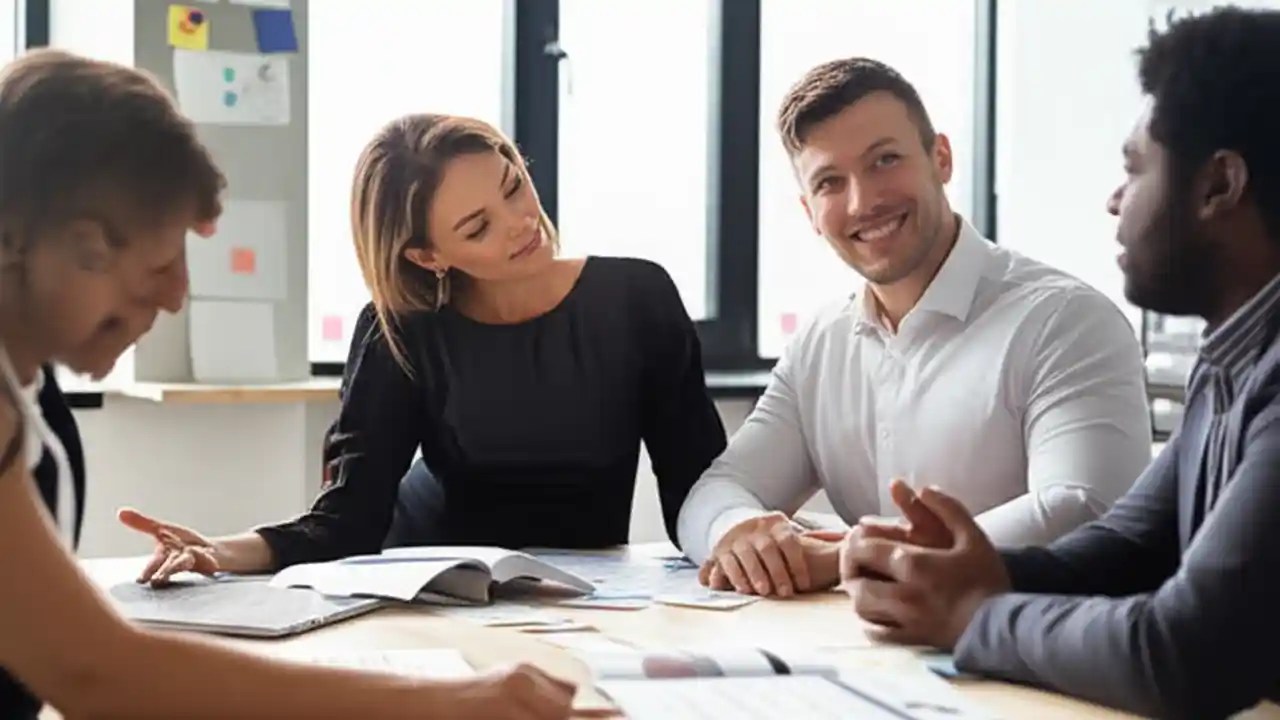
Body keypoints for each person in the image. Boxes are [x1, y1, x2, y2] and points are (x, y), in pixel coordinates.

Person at [0, 48, 574, 719]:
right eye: (161, 262)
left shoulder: (28, 395)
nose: (178, 295)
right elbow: (93, 671)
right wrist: (448, 702)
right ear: (81, 245)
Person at [838, 7, 1280, 719]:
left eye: (1135, 168)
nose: (1114, 200)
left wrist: (973, 616)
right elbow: (1133, 546)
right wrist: (959, 573)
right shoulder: (1234, 353)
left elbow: (1187, 653)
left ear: (1218, 186)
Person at [124, 112, 726, 582]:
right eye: (478, 226)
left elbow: (697, 489)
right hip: (428, 589)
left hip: (585, 595)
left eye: (515, 187)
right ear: (428, 256)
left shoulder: (636, 297)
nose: (521, 221)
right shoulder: (401, 328)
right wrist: (218, 551)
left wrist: (744, 530)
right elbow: (348, 522)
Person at [677, 57, 1153, 599]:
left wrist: (854, 555)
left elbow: (1085, 508)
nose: (863, 201)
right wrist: (740, 533)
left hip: (1030, 660)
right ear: (810, 211)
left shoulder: (1066, 321)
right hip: (871, 654)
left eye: (885, 160)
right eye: (831, 182)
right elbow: (716, 492)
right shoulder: (821, 342)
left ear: (940, 158)